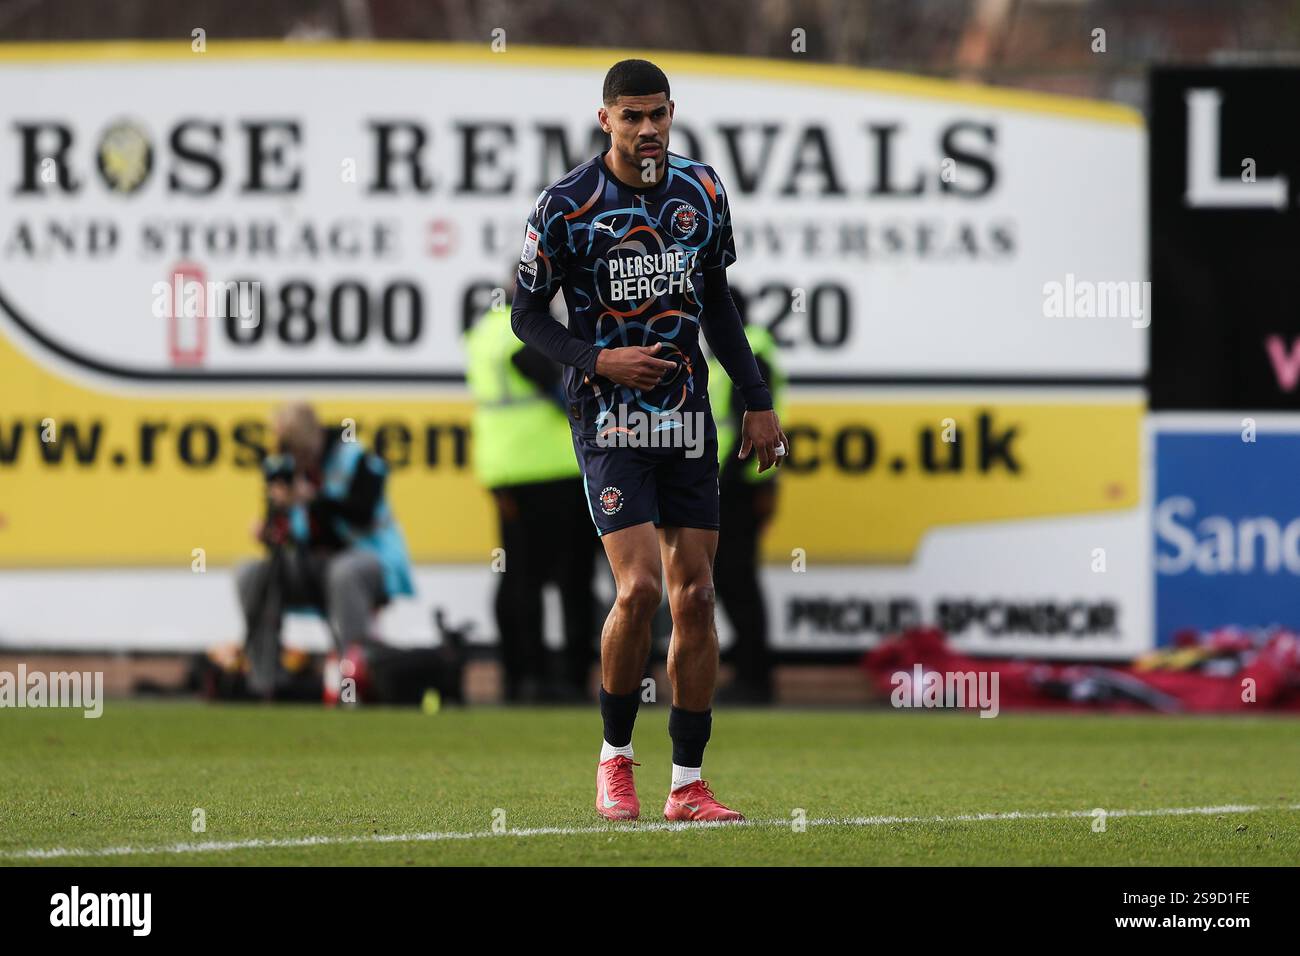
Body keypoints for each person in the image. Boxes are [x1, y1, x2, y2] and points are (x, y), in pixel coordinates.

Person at [510, 59, 788, 823]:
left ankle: (688, 784)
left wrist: (756, 399)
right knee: (638, 590)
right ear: (606, 120)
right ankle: (615, 760)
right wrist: (598, 359)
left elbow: (718, 304)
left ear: (673, 113)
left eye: (656, 114)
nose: (646, 129)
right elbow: (526, 318)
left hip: (688, 416)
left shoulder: (701, 191)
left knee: (697, 595)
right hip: (609, 419)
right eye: (630, 116)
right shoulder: (566, 205)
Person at [463, 288, 601, 702]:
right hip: (555, 468)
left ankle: (523, 674)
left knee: (520, 578)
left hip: (509, 472)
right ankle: (570, 679)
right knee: (573, 579)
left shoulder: (483, 331)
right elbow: (552, 379)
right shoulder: (526, 329)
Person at [236, 402, 414, 696]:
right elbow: (287, 538)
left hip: (368, 562)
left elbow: (362, 514)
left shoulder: (356, 459)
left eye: (302, 453)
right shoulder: (282, 468)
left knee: (343, 573)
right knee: (250, 574)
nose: (298, 461)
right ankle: (265, 683)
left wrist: (315, 501)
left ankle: (354, 677)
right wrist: (271, 531)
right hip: (311, 565)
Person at [708, 299, 787, 704]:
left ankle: (754, 676)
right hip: (740, 479)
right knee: (734, 579)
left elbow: (749, 420)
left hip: (738, 480)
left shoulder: (748, 350)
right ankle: (750, 668)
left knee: (737, 579)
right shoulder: (750, 346)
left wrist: (726, 480)